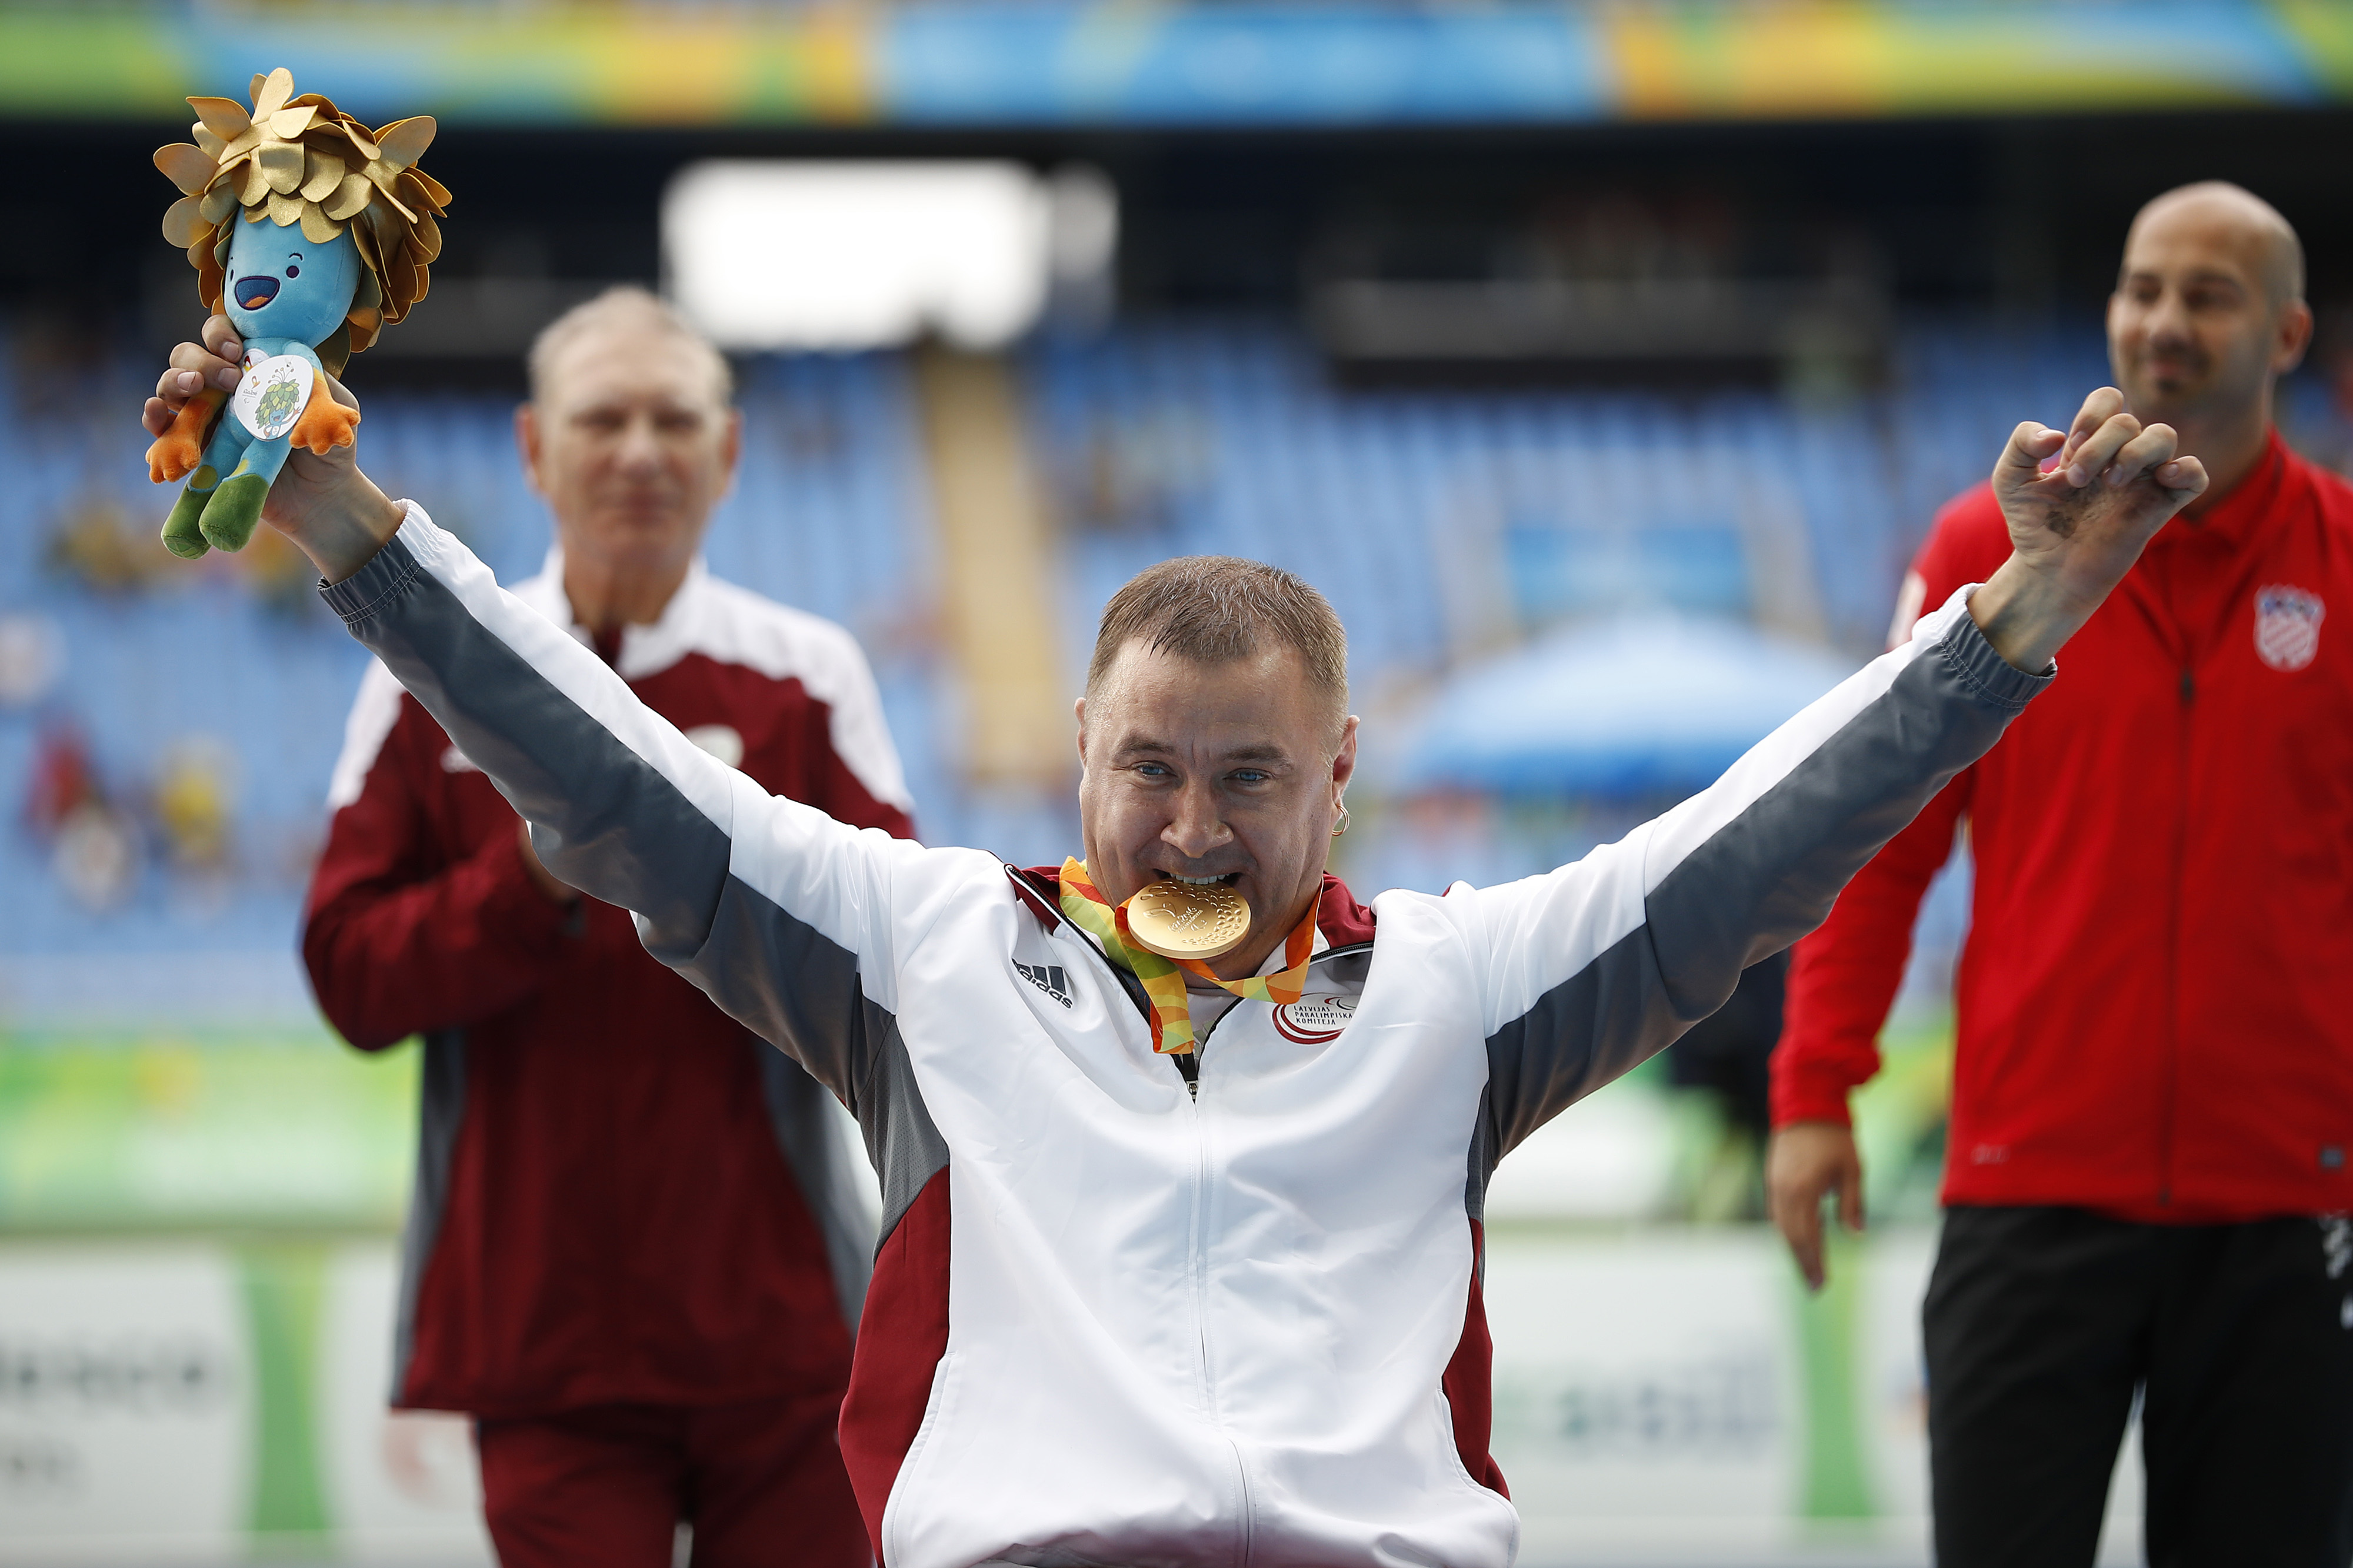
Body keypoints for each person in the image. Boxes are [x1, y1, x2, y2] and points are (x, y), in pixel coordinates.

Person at [146, 302, 2202, 1565]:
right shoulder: (926, 948)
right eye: (1149, 768)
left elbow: (1755, 847)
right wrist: (342, 525)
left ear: (1342, 775)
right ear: (1078, 751)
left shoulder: (1461, 986)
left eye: (1249, 777)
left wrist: (2015, 619)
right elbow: (606, 775)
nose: (1194, 826)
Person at [1766, 182, 2353, 1568]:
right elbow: (1881, 832)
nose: (2161, 321)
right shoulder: (1986, 548)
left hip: (2287, 1207)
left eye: (2206, 294)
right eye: (2141, 288)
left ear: (2285, 335)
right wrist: (1813, 1086)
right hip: (2024, 1189)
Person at [296, 288, 913, 1567]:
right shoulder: (417, 679)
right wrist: (532, 881)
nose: (640, 451)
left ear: (728, 453)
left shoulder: (806, 678)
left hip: (785, 1330)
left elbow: (897, 975)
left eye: (675, 420)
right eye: (603, 418)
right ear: (534, 447)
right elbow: (351, 976)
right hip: (541, 1340)